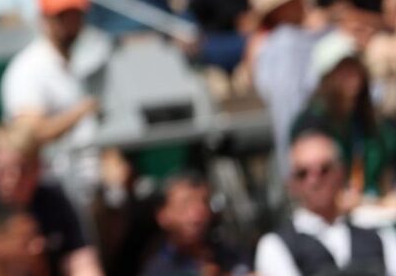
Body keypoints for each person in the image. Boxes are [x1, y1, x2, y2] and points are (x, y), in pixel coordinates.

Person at [254, 130, 396, 274]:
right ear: (292, 183)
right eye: (303, 173)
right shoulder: (275, 245)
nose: (314, 181)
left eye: (324, 170)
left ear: (340, 172)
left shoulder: (376, 231)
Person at [0, 123, 101, 276]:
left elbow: (81, 260)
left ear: (38, 167)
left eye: (21, 169)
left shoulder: (55, 201)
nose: (10, 180)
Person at [0, 0, 99, 151]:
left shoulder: (84, 58)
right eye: (62, 15)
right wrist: (81, 112)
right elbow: (27, 135)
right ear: (44, 17)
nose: (71, 22)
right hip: (52, 168)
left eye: (76, 13)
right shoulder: (29, 67)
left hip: (88, 164)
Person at [291, 31, 396, 200]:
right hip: (330, 207)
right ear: (326, 77)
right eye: (342, 70)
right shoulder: (311, 124)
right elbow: (311, 180)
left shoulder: (371, 120)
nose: (351, 76)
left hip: (373, 202)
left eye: (354, 67)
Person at [247, 0, 330, 176]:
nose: (303, 4)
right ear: (278, 9)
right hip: (300, 135)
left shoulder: (298, 36)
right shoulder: (279, 45)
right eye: (294, 0)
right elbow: (288, 106)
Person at [139, 173, 247, 274]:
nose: (198, 213)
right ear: (163, 215)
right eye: (185, 204)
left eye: (204, 202)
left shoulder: (232, 255)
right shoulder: (158, 269)